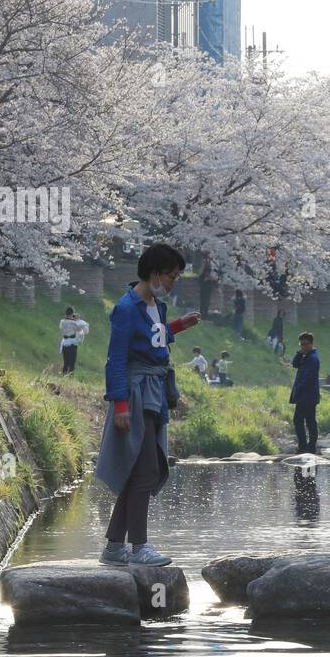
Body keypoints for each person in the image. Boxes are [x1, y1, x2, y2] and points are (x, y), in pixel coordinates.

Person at [95, 243, 201, 568]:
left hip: (154, 392)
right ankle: (139, 547)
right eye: (171, 276)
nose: (174, 282)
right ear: (155, 274)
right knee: (146, 471)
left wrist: (179, 325)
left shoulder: (154, 304)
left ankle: (115, 547)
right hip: (136, 393)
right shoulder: (126, 308)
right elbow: (115, 360)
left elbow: (154, 337)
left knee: (141, 470)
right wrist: (121, 404)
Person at [290, 332, 321, 454]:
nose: (303, 346)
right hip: (308, 395)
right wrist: (299, 353)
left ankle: (304, 446)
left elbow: (309, 378)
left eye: (305, 344)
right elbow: (294, 364)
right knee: (309, 420)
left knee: (299, 420)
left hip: (307, 395)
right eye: (301, 344)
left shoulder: (313, 358)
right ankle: (310, 446)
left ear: (311, 344)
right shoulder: (306, 356)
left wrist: (299, 390)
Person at [59, 306, 89, 375]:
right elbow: (85, 330)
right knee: (71, 363)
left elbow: (64, 326)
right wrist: (78, 319)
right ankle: (69, 377)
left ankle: (64, 376)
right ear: (72, 314)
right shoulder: (75, 323)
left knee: (66, 363)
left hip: (64, 344)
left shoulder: (62, 321)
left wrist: (74, 319)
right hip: (72, 345)